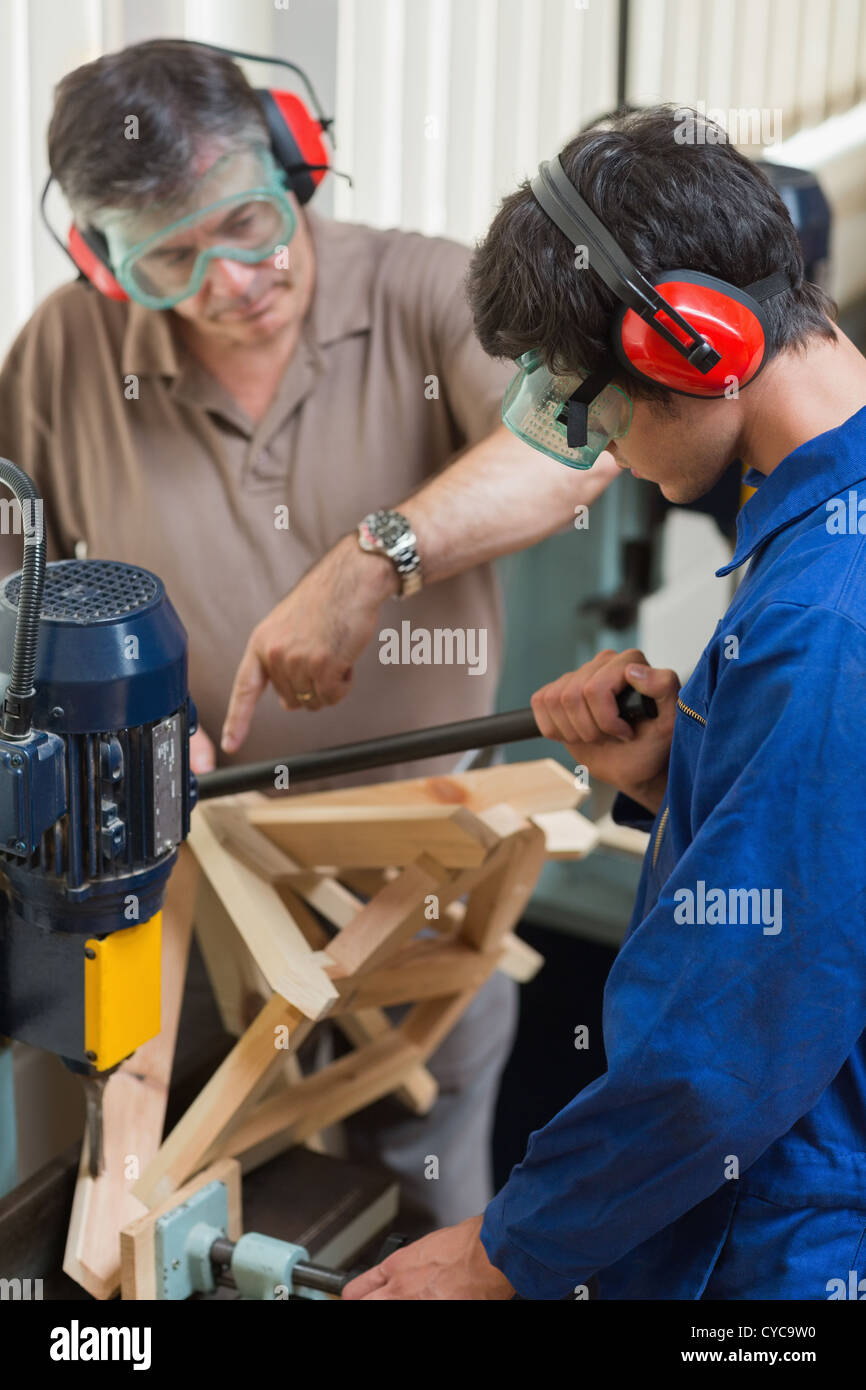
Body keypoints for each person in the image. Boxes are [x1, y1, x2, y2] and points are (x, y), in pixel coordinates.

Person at [0, 39, 617, 1228]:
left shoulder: (431, 290)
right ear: (100, 258)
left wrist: (370, 559)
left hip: (410, 886)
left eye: (245, 222)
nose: (228, 279)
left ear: (295, 162)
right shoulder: (66, 350)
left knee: (420, 1211)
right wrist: (90, 728)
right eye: (169, 257)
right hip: (171, 889)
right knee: (156, 1206)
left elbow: (567, 455)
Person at [344, 105, 866, 1300]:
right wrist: (675, 777)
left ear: (696, 348)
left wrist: (501, 1251)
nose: (596, 448)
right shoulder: (813, 541)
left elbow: (731, 1046)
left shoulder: (819, 620)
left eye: (589, 406)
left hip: (804, 1230)